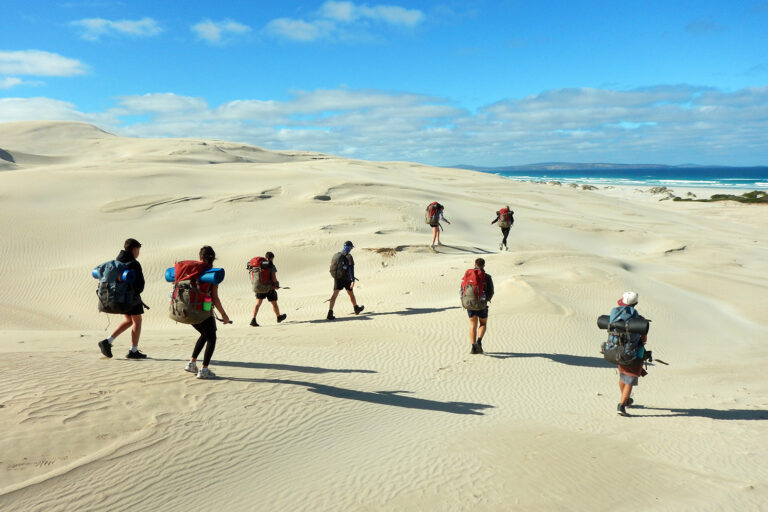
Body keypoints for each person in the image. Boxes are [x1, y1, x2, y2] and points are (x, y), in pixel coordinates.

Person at [184, 246, 232, 379]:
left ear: (200, 257)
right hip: (203, 311)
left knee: (205, 334)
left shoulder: (189, 270)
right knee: (211, 338)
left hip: (185, 310)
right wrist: (224, 315)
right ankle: (204, 370)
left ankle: (191, 363)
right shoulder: (212, 274)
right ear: (213, 258)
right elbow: (215, 298)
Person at [98, 238, 147, 359]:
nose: (138, 252)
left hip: (119, 297)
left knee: (129, 321)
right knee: (137, 321)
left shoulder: (117, 261)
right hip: (131, 298)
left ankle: (107, 342)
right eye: (138, 249)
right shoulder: (134, 263)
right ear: (134, 249)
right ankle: (133, 351)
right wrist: (136, 293)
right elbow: (140, 284)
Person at [610, 291, 648, 416]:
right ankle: (621, 406)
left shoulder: (615, 315)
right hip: (633, 354)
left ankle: (625, 399)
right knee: (630, 379)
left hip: (617, 350)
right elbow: (644, 340)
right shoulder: (639, 320)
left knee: (623, 376)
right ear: (636, 303)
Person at [327, 240, 364, 320]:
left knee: (334, 295)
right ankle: (356, 308)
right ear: (349, 247)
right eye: (351, 247)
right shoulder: (349, 256)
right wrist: (353, 280)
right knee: (351, 294)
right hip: (346, 279)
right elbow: (351, 269)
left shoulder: (338, 255)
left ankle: (330, 313)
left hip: (338, 278)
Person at [250, 251, 287, 326]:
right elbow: (274, 277)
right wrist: (276, 284)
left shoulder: (258, 265)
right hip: (269, 287)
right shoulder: (271, 265)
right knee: (274, 303)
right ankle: (278, 317)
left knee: (257, 304)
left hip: (259, 286)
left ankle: (253, 319)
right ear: (272, 258)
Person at [466, 258, 494, 354]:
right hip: (481, 305)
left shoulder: (468, 275)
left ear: (475, 264)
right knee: (483, 324)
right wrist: (485, 300)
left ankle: (473, 347)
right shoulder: (487, 277)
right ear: (484, 265)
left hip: (470, 304)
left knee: (473, 325)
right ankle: (479, 342)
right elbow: (491, 292)